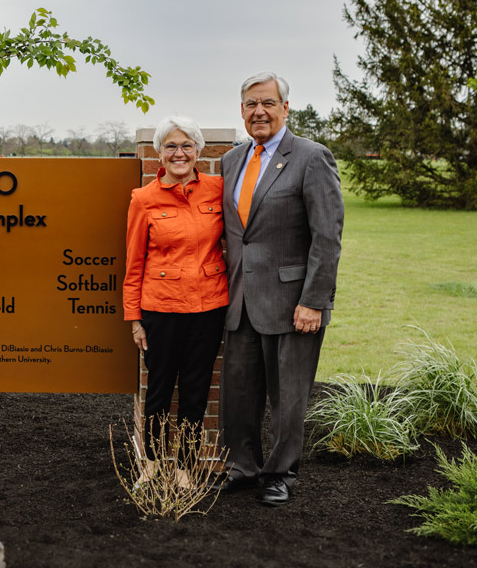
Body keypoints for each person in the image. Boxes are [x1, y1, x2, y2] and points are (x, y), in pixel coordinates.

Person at [216, 72, 344, 506]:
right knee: (238, 391)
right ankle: (242, 467)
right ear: (242, 110)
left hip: (293, 304)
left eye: (268, 103)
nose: (259, 111)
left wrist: (313, 300)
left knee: (288, 396)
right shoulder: (231, 161)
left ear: (286, 108)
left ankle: (280, 473)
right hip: (240, 302)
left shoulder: (311, 157)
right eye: (251, 104)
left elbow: (327, 237)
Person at [123, 116, 228, 488]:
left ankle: (184, 467)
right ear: (160, 154)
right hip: (161, 309)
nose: (179, 153)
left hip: (209, 307)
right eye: (171, 146)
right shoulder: (144, 199)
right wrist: (135, 318)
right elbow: (134, 261)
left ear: (198, 151)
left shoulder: (216, 188)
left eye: (186, 146)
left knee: (196, 390)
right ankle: (151, 464)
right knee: (160, 389)